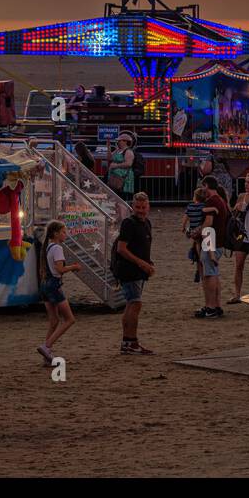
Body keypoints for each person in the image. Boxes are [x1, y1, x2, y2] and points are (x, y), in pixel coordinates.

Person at [114, 192, 155, 354]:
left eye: (143, 207)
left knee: (131, 303)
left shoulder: (146, 223)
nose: (140, 211)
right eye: (137, 207)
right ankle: (131, 341)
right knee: (135, 303)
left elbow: (142, 246)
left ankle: (127, 342)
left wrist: (148, 262)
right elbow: (121, 249)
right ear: (133, 206)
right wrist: (142, 263)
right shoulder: (128, 224)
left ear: (148, 207)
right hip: (129, 269)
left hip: (138, 270)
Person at [37, 221, 81, 365]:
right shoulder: (57, 249)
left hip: (44, 284)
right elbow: (60, 269)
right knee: (69, 319)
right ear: (56, 234)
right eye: (63, 232)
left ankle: (46, 355)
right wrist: (73, 267)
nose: (65, 235)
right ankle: (47, 346)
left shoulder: (48, 247)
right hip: (53, 285)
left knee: (54, 321)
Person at [194, 179, 231, 318]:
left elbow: (208, 223)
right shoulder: (221, 200)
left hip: (211, 241)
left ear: (207, 186)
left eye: (203, 186)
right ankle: (216, 305)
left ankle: (210, 306)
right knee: (213, 273)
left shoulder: (212, 201)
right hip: (218, 242)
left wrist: (197, 232)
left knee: (209, 274)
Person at [230, 171, 249, 304]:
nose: (246, 185)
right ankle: (237, 294)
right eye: (245, 182)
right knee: (238, 265)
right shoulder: (241, 196)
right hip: (242, 235)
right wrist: (236, 208)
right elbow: (233, 215)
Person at [181, 186, 217, 283]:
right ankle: (212, 255)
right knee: (206, 237)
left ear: (194, 197)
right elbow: (206, 211)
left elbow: (185, 218)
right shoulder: (203, 206)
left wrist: (183, 227)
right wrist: (213, 208)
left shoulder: (190, 206)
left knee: (197, 243)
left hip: (192, 230)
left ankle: (199, 258)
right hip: (200, 228)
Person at [107, 133, 136, 197]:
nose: (118, 142)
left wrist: (115, 165)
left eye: (120, 141)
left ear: (125, 141)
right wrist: (108, 147)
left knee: (122, 196)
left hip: (123, 179)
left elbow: (128, 163)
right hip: (114, 178)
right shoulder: (117, 150)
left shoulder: (128, 151)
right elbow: (109, 158)